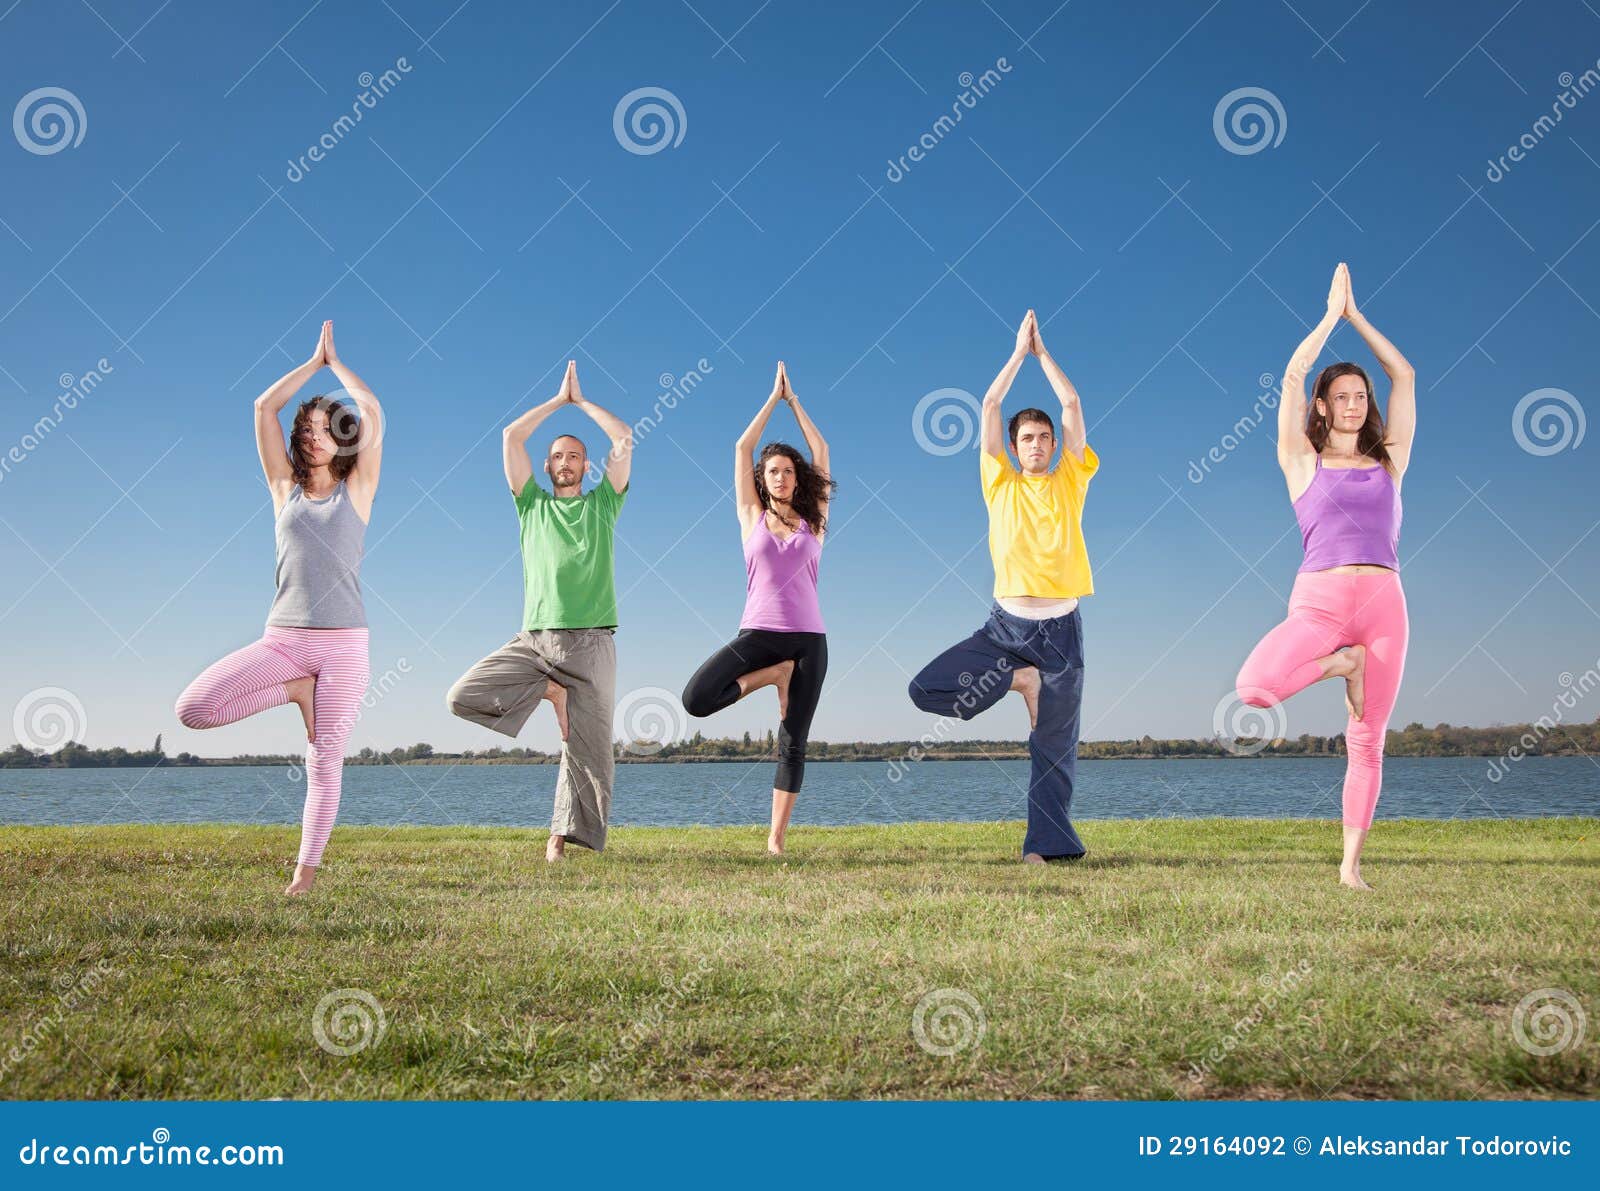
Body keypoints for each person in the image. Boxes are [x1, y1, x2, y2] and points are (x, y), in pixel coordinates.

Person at [175, 321, 381, 895]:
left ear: (343, 439)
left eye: (327, 429)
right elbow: (264, 406)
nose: (316, 437)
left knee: (325, 762)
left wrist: (337, 366)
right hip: (283, 640)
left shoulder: (357, 489)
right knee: (194, 709)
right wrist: (313, 363)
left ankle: (304, 876)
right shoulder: (281, 488)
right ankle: (294, 690)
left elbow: (371, 408)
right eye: (308, 429)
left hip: (345, 646)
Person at [1234, 262, 1414, 891]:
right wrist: (1328, 318)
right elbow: (1290, 375)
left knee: (1367, 740)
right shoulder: (1299, 461)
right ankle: (1344, 664)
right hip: (1321, 601)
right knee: (1255, 690)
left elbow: (1405, 374)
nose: (1354, 404)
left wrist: (1359, 318)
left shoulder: (1389, 460)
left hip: (1385, 601)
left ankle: (1350, 866)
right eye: (1341, 396)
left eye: (1360, 397)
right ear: (1322, 404)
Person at [908, 310, 1098, 864]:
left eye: (1043, 438)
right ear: (1014, 448)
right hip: (1004, 627)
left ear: (1053, 445)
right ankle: (1020, 680)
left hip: (1061, 631)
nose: (1037, 444)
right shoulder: (999, 482)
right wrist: (1018, 354)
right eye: (1027, 438)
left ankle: (1044, 848)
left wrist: (1045, 356)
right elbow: (990, 406)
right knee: (926, 690)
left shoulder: (1071, 477)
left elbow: (1073, 407)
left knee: (1055, 749)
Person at [445, 360, 632, 863]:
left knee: (591, 755)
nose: (565, 461)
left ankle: (560, 839)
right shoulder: (530, 505)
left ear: (585, 467)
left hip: (592, 643)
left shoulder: (602, 506)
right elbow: (510, 436)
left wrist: (583, 402)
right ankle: (550, 691)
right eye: (557, 456)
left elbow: (624, 441)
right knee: (462, 696)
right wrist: (559, 399)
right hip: (535, 642)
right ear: (546, 467)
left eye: (574, 455)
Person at [681, 362, 834, 856]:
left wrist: (797, 403)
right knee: (697, 698)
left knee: (794, 741)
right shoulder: (751, 517)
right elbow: (741, 448)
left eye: (790, 471)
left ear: (798, 479)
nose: (783, 477)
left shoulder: (816, 520)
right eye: (774, 471)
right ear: (762, 480)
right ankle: (773, 676)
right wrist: (773, 399)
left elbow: (823, 451)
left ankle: (776, 840)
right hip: (760, 636)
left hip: (809, 640)